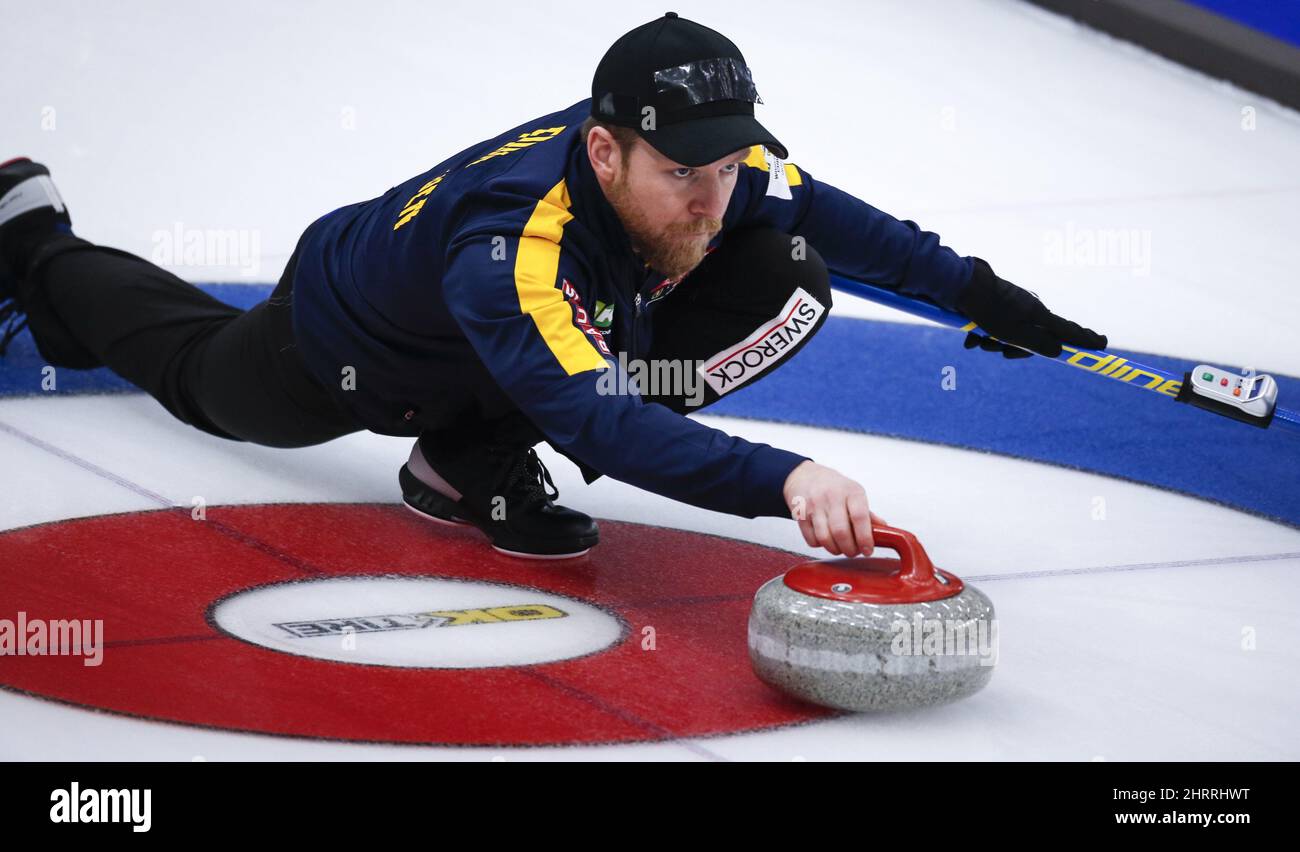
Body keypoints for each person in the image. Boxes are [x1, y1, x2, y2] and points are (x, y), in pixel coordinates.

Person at [0, 12, 1105, 560]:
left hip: (513, 348)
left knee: (790, 276)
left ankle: (465, 459)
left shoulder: (718, 170)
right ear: (605, 149)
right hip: (347, 342)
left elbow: (827, 218)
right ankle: (39, 241)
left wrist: (982, 294)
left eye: (726, 169)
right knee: (200, 373)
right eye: (684, 174)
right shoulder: (514, 242)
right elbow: (599, 420)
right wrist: (787, 479)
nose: (713, 200)